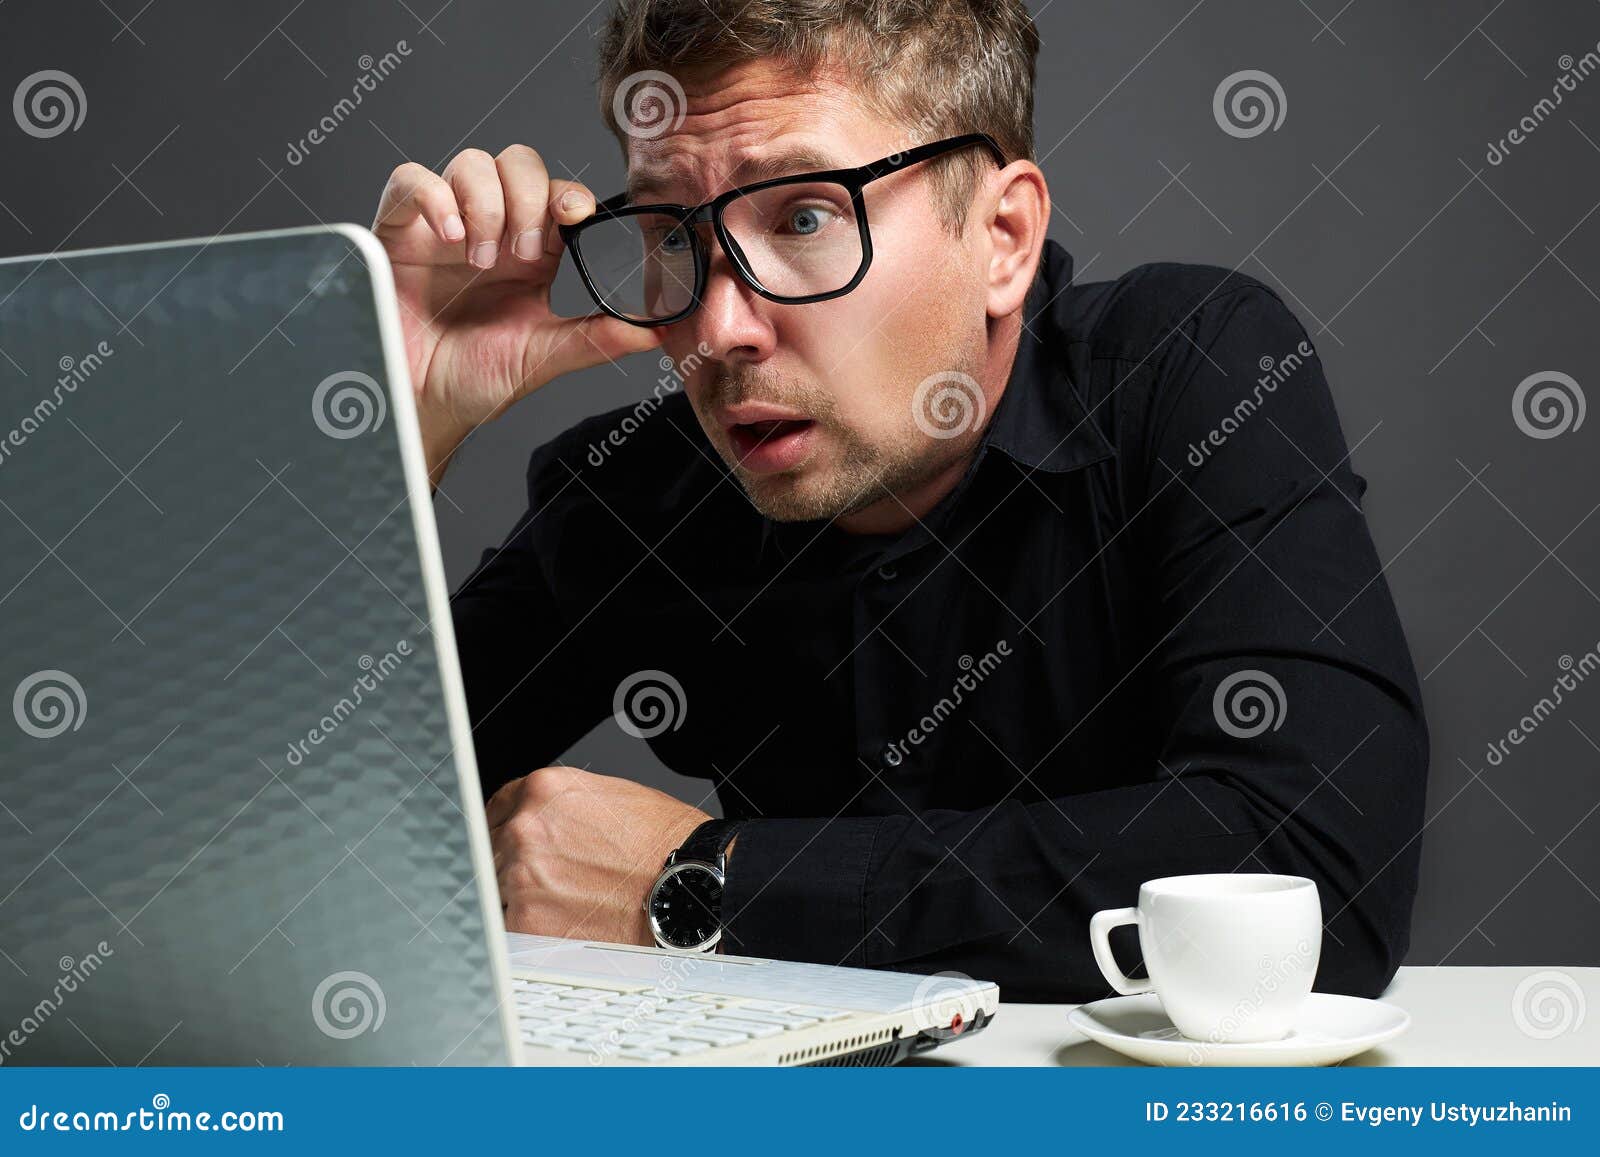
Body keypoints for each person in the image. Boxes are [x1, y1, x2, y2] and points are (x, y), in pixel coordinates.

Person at [369, 0, 1427, 1001]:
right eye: (677, 237)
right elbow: (296, 847)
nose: (721, 329)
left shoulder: (1188, 377)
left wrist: (702, 880)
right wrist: (407, 416)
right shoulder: (636, 495)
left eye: (805, 215)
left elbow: (1313, 880)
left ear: (1002, 238)